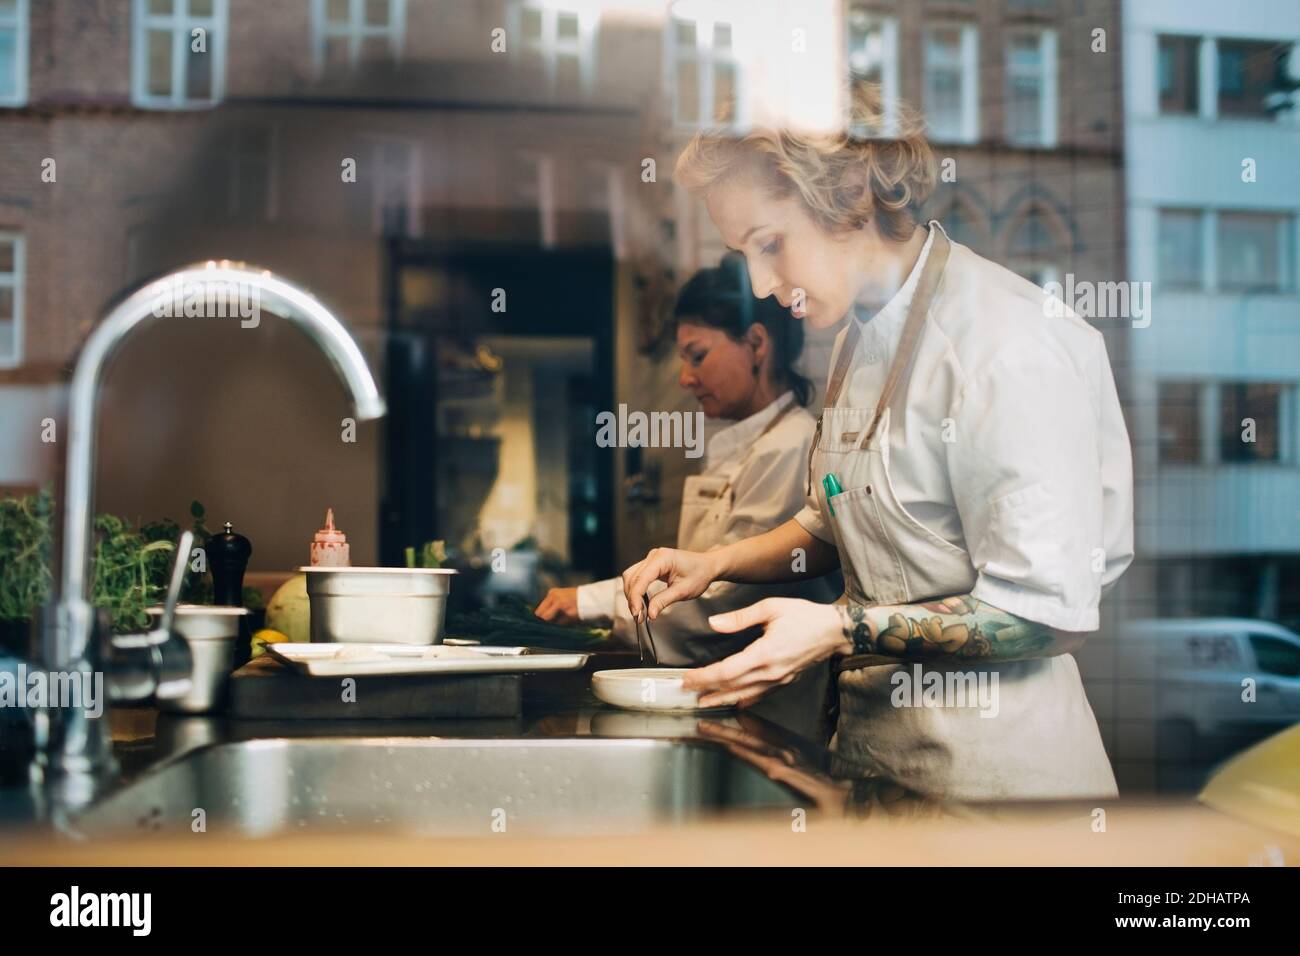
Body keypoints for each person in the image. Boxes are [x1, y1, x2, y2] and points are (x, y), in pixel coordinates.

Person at [620, 83, 1134, 801]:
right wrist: (717, 562)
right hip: (878, 774)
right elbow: (838, 515)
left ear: (852, 189)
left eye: (771, 244)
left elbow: (1043, 615)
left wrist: (837, 629)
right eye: (746, 255)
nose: (764, 285)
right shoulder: (857, 339)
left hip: (1001, 799)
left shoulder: (1007, 343)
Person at [536, 257, 837, 731]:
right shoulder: (739, 443)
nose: (684, 378)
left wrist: (593, 603)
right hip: (723, 702)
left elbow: (722, 602)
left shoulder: (790, 445)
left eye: (698, 356)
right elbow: (702, 570)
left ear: (757, 343)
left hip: (774, 712)